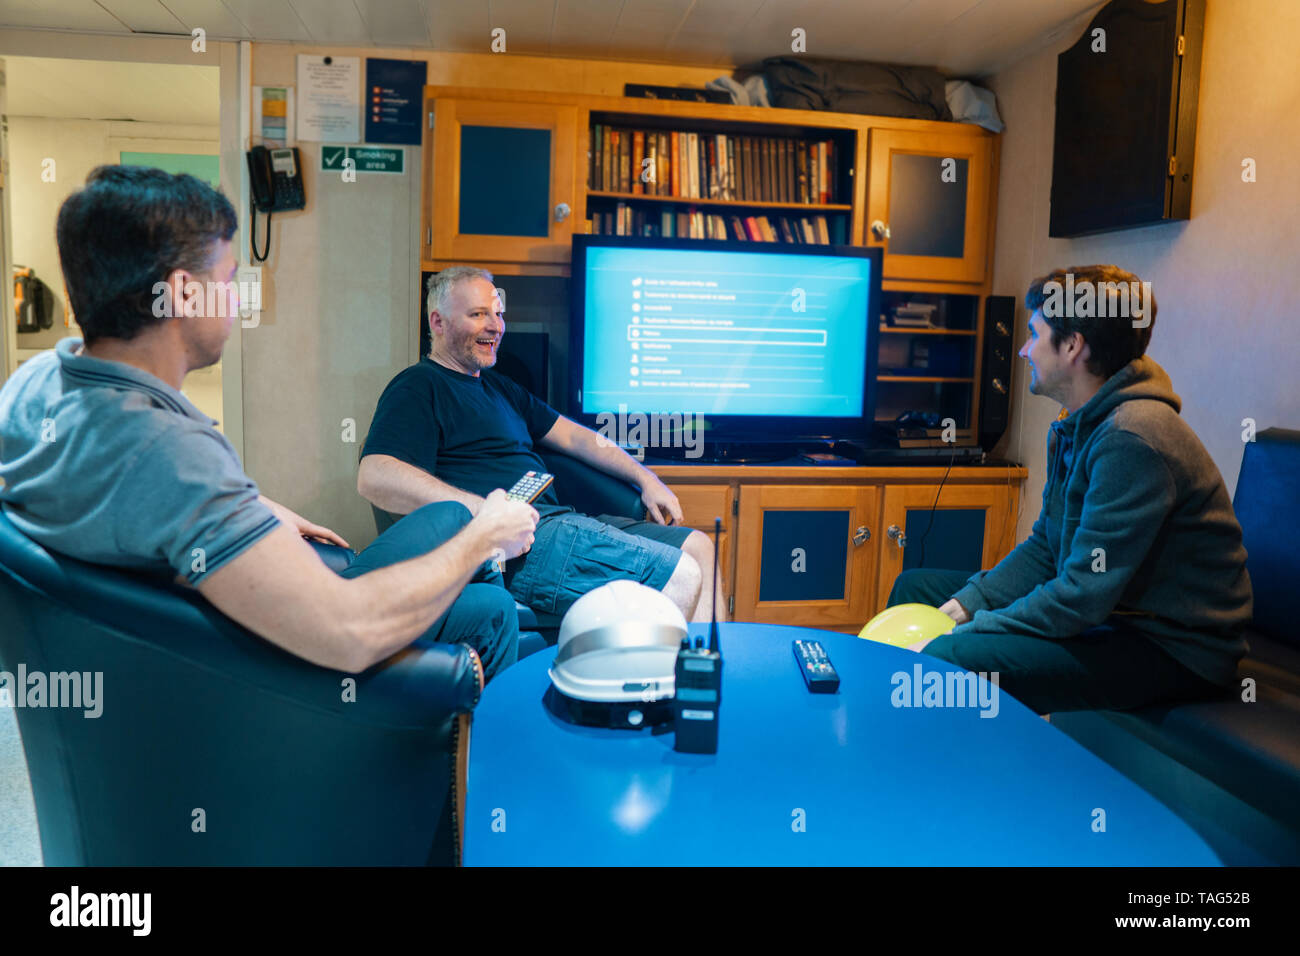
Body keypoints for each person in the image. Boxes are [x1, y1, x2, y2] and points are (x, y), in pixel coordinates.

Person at [0, 166, 538, 684]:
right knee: (488, 604)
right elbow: (350, 632)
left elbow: (139, 494)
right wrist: (484, 536)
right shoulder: (172, 456)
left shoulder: (36, 383)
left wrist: (247, 507)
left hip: (197, 627)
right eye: (229, 280)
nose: (236, 301)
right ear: (186, 293)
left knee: (446, 513)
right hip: (275, 677)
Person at [888, 264, 1252, 715]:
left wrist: (963, 633)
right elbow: (1046, 548)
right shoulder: (1077, 423)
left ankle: (945, 779)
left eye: (1033, 334)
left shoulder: (1132, 438)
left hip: (1171, 648)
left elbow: (1080, 596)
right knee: (916, 588)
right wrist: (966, 606)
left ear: (1073, 346)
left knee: (948, 662)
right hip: (1114, 613)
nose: (1022, 350)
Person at [357, 266, 726, 623]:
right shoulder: (418, 386)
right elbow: (374, 476)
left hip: (563, 522)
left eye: (498, 314)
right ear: (438, 323)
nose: (495, 326)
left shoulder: (499, 387)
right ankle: (656, 686)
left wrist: (646, 478)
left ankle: (710, 683)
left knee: (700, 549)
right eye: (478, 314)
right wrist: (487, 513)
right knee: (682, 575)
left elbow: (576, 437)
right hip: (521, 545)